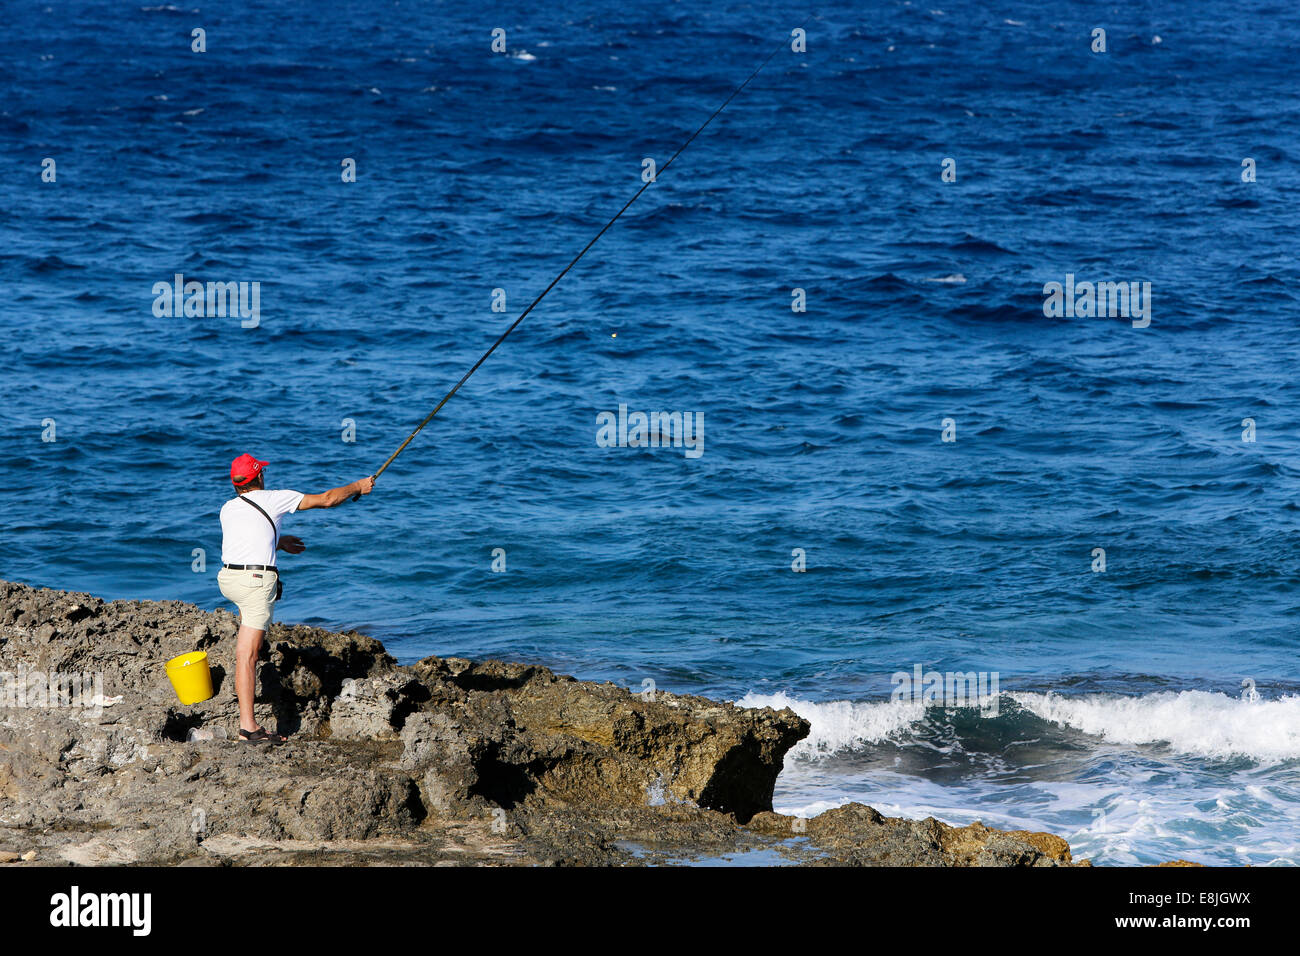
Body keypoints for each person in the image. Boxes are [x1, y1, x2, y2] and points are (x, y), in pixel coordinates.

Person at [216, 453, 375, 743]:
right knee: (247, 654)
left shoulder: (228, 508)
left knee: (248, 647)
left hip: (229, 579)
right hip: (254, 582)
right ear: (258, 477)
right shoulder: (273, 498)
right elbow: (326, 499)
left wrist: (278, 540)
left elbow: (244, 538)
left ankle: (247, 713)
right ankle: (248, 728)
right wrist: (358, 486)